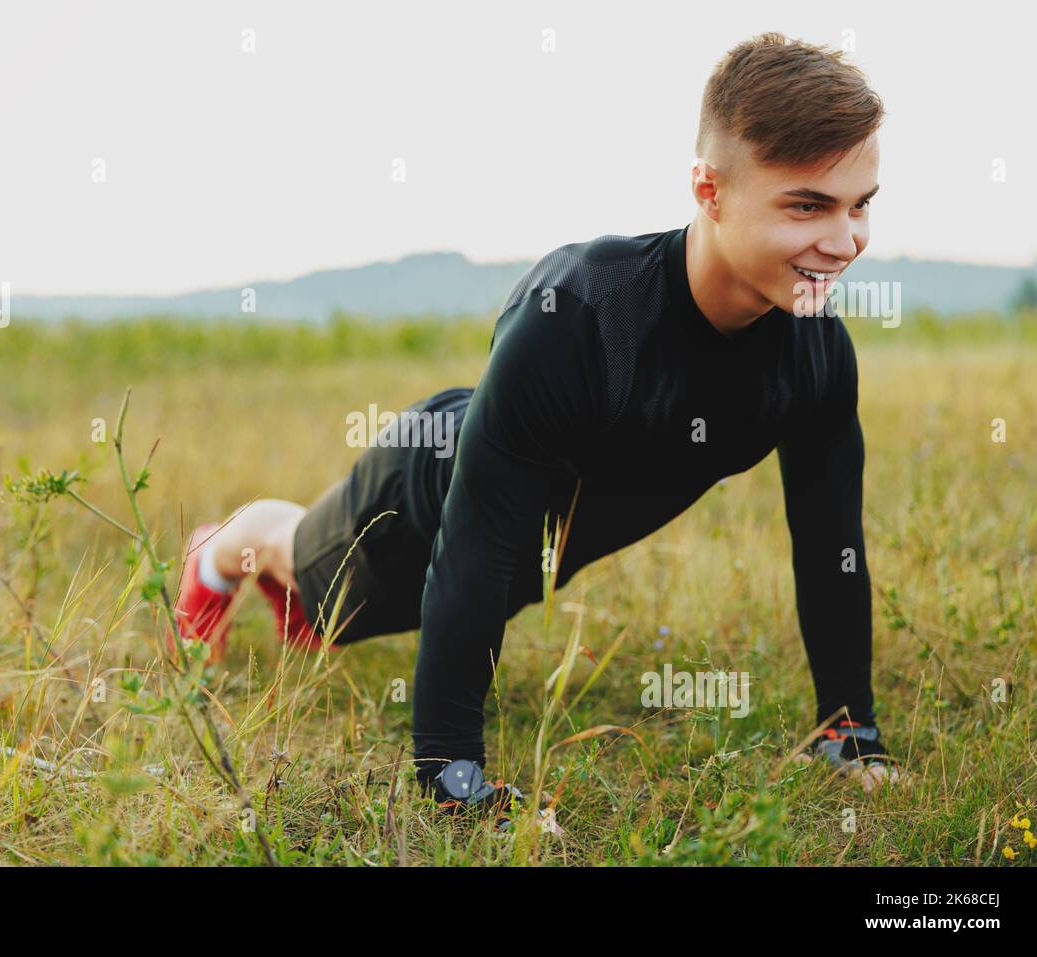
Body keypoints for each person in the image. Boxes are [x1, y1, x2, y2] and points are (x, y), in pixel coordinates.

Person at [175, 32, 906, 817]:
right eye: (807, 206)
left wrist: (848, 728)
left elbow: (831, 542)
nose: (844, 241)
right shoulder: (582, 315)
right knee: (325, 594)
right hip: (438, 487)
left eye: (860, 204)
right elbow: (478, 549)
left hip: (536, 551)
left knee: (390, 607)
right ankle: (224, 548)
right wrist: (451, 772)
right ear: (710, 190)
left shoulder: (816, 351)